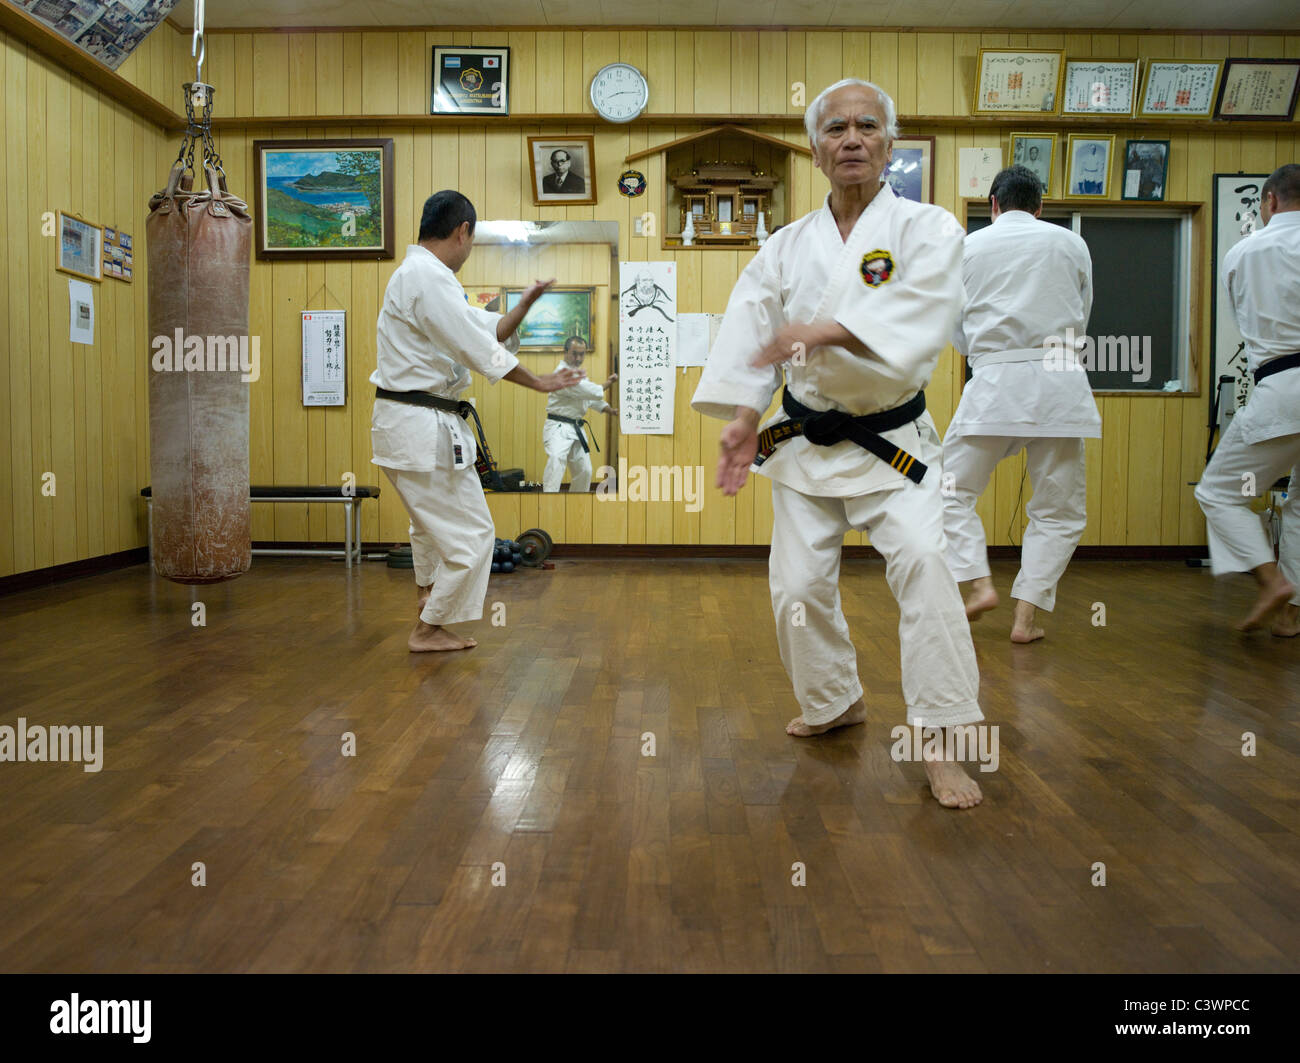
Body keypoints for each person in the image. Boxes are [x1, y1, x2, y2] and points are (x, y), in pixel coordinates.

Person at [692, 78, 985, 810]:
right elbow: (750, 338)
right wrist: (740, 417)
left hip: (897, 445)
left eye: (865, 127)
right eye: (834, 129)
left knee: (925, 566)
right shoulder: (786, 246)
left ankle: (941, 740)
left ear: (889, 143)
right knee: (795, 588)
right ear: (816, 150)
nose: (850, 139)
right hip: (805, 444)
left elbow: (923, 311)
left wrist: (820, 330)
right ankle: (834, 700)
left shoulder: (930, 228)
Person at [370, 190, 584, 652]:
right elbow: (478, 349)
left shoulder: (423, 277)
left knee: (428, 530)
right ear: (463, 230)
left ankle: (429, 607)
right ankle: (427, 628)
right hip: (419, 428)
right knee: (475, 535)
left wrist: (524, 304)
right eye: (473, 238)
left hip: (412, 426)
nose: (470, 248)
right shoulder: (428, 278)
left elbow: (483, 331)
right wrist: (541, 383)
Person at [943, 164, 1099, 643]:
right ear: (1040, 206)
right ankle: (1025, 619)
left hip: (994, 382)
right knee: (1058, 510)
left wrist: (990, 352)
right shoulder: (1071, 244)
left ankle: (978, 584)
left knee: (948, 491)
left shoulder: (967, 247)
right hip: (1062, 382)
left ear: (993, 204)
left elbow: (957, 331)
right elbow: (1084, 312)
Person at [1195, 163, 1300, 636]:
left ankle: (1271, 580)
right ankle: (1293, 611)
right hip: (1283, 386)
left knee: (1218, 492)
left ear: (1270, 201)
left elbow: (1244, 320)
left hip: (1282, 387)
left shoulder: (1244, 252)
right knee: (1298, 504)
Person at [543, 335, 617, 492]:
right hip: (558, 427)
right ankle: (547, 504)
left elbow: (589, 399)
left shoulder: (578, 374)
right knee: (556, 463)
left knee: (585, 470)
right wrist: (609, 382)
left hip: (575, 428)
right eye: (574, 353)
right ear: (566, 352)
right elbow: (590, 391)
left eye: (582, 354)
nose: (578, 358)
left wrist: (611, 411)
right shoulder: (562, 373)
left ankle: (576, 505)